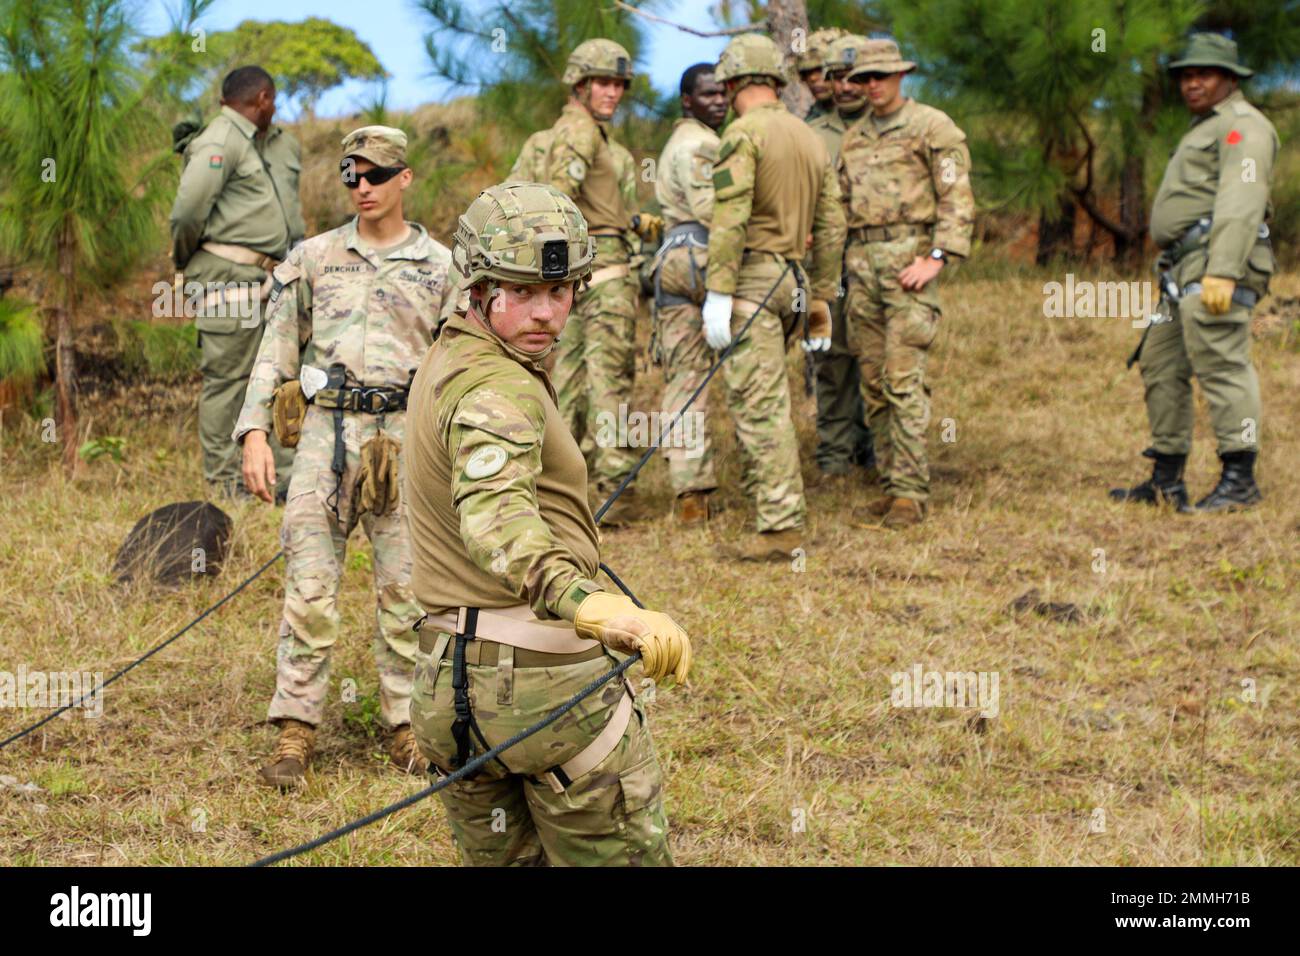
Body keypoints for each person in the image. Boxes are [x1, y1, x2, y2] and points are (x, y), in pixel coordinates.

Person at [403, 181, 692, 866]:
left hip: (449, 692)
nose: (545, 314)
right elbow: (499, 521)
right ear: (479, 290)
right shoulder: (497, 389)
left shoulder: (448, 358)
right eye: (522, 292)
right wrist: (591, 606)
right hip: (544, 690)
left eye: (558, 294)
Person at [233, 126, 454, 787]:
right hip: (326, 437)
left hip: (405, 441)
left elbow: (462, 363)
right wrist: (253, 434)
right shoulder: (316, 257)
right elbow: (276, 347)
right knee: (308, 586)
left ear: (405, 178)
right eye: (351, 176)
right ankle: (296, 731)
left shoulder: (441, 266)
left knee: (408, 593)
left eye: (376, 176)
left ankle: (408, 727)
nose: (362, 187)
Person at [1110, 32, 1276, 513]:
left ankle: (1240, 480)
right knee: (1161, 362)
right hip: (1184, 267)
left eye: (1203, 74)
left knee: (1223, 364)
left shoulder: (1242, 126)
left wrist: (1223, 271)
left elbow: (1242, 200)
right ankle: (1166, 480)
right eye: (1185, 75)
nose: (1192, 83)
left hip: (1216, 263)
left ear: (1229, 78)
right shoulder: (1207, 126)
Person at [703, 33, 846, 560]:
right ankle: (772, 504)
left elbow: (730, 218)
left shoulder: (743, 134)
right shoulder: (810, 137)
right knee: (771, 399)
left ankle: (782, 526)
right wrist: (822, 297)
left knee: (760, 405)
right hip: (794, 281)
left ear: (735, 82)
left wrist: (718, 290)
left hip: (752, 282)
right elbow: (833, 223)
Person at [836, 39, 974, 527]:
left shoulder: (932, 127)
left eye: (880, 76)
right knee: (873, 383)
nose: (871, 86)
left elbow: (956, 194)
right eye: (864, 78)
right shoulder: (852, 139)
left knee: (903, 379)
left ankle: (912, 493)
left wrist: (937, 256)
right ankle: (893, 483)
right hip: (861, 266)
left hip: (908, 266)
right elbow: (840, 208)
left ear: (900, 76)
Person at [537, 39, 663, 524]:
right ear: (580, 84)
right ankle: (614, 489)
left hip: (584, 269)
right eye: (603, 83)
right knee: (609, 381)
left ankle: (562, 488)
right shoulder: (581, 131)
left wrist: (631, 221)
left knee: (569, 381)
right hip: (600, 271)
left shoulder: (585, 131)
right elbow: (558, 201)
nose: (613, 92)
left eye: (618, 84)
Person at [170, 65, 303, 499]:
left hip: (277, 277)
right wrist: (187, 260)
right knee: (228, 381)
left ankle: (279, 477)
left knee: (281, 375)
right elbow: (188, 212)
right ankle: (228, 485)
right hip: (229, 279)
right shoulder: (219, 140)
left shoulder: (277, 144)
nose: (276, 109)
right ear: (262, 98)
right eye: (274, 101)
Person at [650, 63, 728, 523]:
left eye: (723, 92)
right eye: (707, 94)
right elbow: (710, 207)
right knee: (741, 370)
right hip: (704, 257)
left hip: (671, 261)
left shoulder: (675, 142)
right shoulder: (701, 144)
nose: (718, 100)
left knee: (684, 377)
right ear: (687, 99)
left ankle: (689, 490)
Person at [807, 35, 878, 483]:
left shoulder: (890, 126)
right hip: (830, 264)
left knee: (878, 357)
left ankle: (876, 445)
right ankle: (835, 451)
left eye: (855, 78)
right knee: (832, 359)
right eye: (837, 78)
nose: (846, 87)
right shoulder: (812, 135)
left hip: (880, 262)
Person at [796, 27, 848, 121]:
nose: (812, 78)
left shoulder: (872, 112)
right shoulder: (811, 119)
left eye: (820, 69)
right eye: (806, 73)